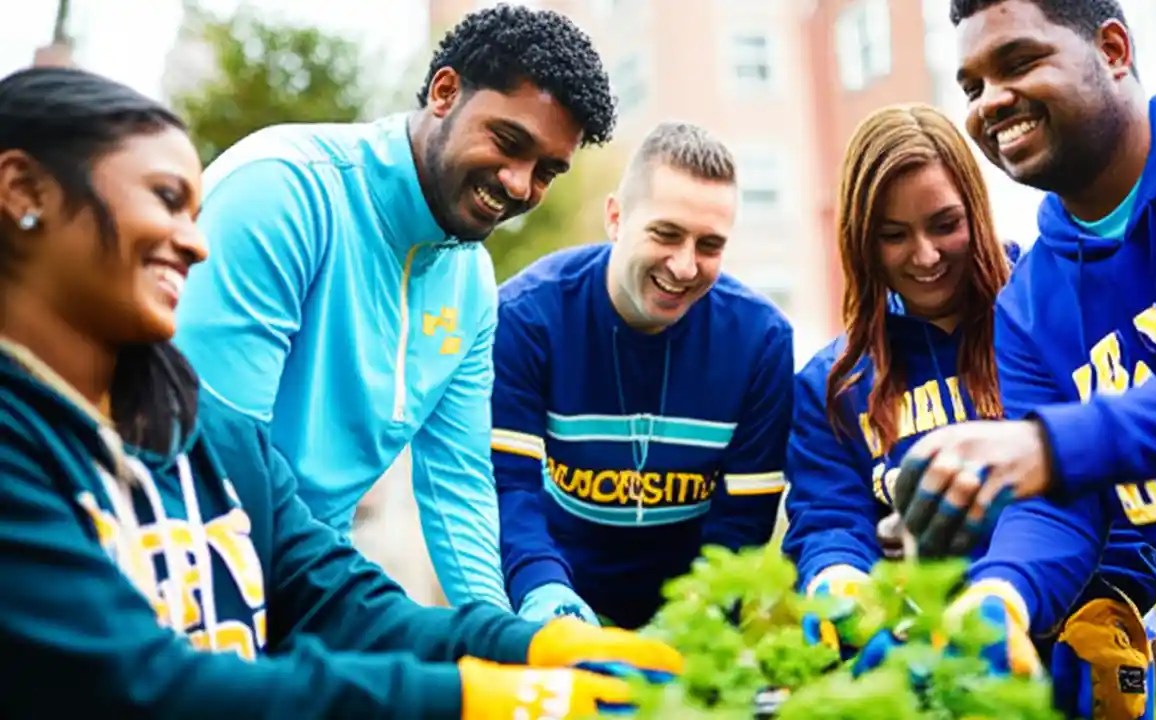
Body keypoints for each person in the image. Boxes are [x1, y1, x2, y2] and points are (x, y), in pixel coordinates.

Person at [0, 65, 681, 719]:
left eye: (195, 212)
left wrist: (530, 647)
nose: (197, 243)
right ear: (24, 192)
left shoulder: (212, 439)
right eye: (166, 200)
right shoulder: (21, 445)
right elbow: (146, 683)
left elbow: (347, 605)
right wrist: (468, 699)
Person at [884, 1, 1156, 716]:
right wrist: (1001, 595)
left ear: (1114, 49)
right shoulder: (1028, 309)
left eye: (1019, 61)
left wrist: (1050, 444)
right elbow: (1063, 503)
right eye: (972, 86)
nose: (990, 101)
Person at [172, 4, 617, 610]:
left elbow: (458, 485)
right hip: (188, 567)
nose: (519, 184)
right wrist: (363, 615)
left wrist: (502, 633)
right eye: (509, 142)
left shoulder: (471, 281)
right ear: (445, 91)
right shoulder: (282, 192)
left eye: (547, 172)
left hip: (305, 581)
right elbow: (222, 458)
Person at [781, 103, 1156, 719]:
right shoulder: (836, 384)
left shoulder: (1052, 315)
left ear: (976, 212)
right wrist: (839, 585)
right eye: (894, 235)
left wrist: (1114, 600)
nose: (925, 255)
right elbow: (829, 520)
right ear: (860, 239)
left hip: (1066, 643)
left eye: (945, 225)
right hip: (923, 660)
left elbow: (1117, 474)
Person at [492, 121, 792, 630]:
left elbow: (741, 523)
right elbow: (510, 488)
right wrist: (545, 594)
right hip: (556, 597)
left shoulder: (762, 342)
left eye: (709, 245)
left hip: (692, 617)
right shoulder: (527, 317)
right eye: (666, 234)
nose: (684, 266)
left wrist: (691, 624)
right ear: (616, 218)